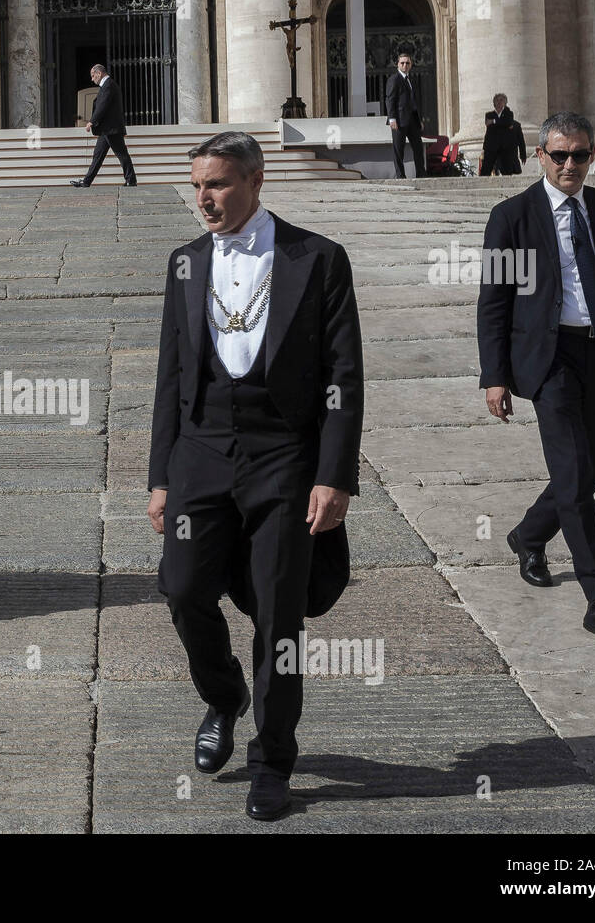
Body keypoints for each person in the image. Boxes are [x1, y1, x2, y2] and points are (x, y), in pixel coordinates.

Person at [147, 131, 363, 821]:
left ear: (255, 181)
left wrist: (335, 475)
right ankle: (223, 697)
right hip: (203, 449)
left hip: (284, 456)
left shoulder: (318, 258)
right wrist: (159, 476)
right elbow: (170, 375)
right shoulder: (184, 263)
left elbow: (344, 376)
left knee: (280, 615)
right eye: (198, 186)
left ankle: (273, 759)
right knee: (182, 588)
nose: (205, 199)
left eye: (218, 184)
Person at [478, 111, 595, 638]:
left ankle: (529, 536)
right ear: (541, 156)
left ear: (593, 155)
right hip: (547, 360)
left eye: (581, 154)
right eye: (560, 155)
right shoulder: (512, 217)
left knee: (592, 465)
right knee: (576, 478)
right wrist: (495, 376)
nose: (570, 165)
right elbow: (493, 304)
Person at [70, 64, 137, 188]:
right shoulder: (107, 86)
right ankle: (86, 181)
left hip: (111, 129)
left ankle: (131, 180)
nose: (92, 79)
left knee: (121, 154)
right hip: (106, 129)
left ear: (99, 73)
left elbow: (103, 106)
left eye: (93, 76)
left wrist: (92, 121)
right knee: (98, 156)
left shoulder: (109, 85)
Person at [385, 53, 426, 178]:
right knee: (398, 150)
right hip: (399, 120)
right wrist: (392, 118)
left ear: (411, 64)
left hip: (413, 120)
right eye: (402, 63)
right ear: (397, 64)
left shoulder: (411, 80)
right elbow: (390, 99)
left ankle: (421, 174)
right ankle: (400, 176)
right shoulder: (394, 79)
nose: (405, 65)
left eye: (407, 63)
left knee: (418, 148)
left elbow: (415, 101)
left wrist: (420, 119)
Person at [481, 93, 527, 176]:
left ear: (505, 103)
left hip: (505, 149)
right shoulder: (489, 115)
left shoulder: (509, 114)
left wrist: (494, 122)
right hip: (491, 147)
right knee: (485, 171)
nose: (499, 102)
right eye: (497, 100)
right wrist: (503, 123)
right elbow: (494, 123)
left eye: (501, 100)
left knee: (507, 172)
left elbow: (508, 122)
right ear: (494, 103)